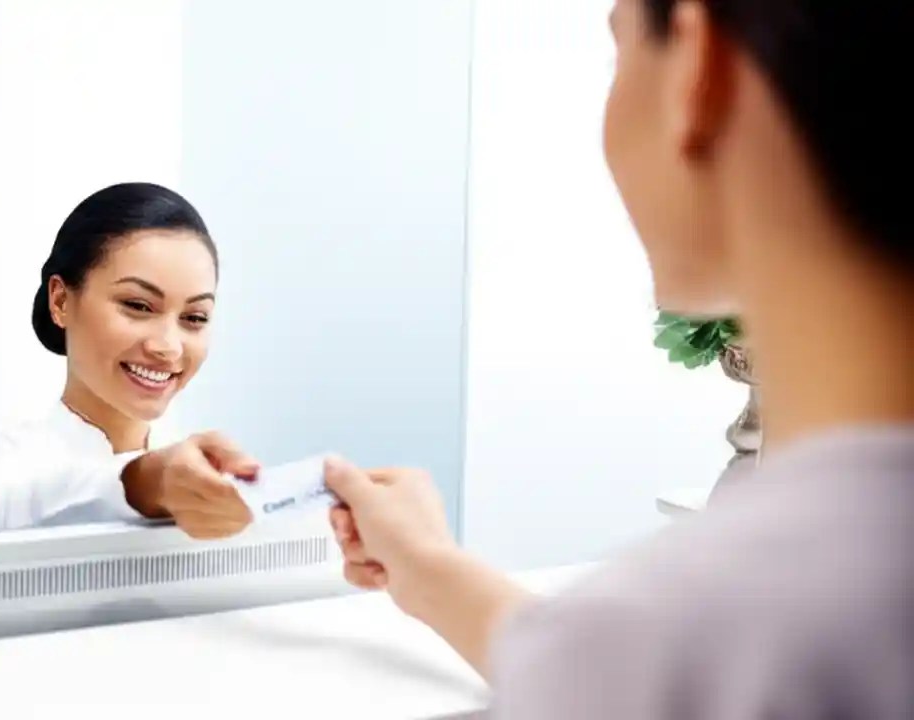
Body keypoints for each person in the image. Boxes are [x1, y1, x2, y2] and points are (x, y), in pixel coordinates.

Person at [325, 0, 913, 716]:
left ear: (698, 70)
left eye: (620, 51)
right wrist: (430, 570)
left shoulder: (679, 640)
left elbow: (645, 662)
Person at [0, 182, 260, 540]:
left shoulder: (212, 486)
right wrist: (145, 483)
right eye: (137, 305)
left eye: (195, 318)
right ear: (60, 302)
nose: (169, 348)